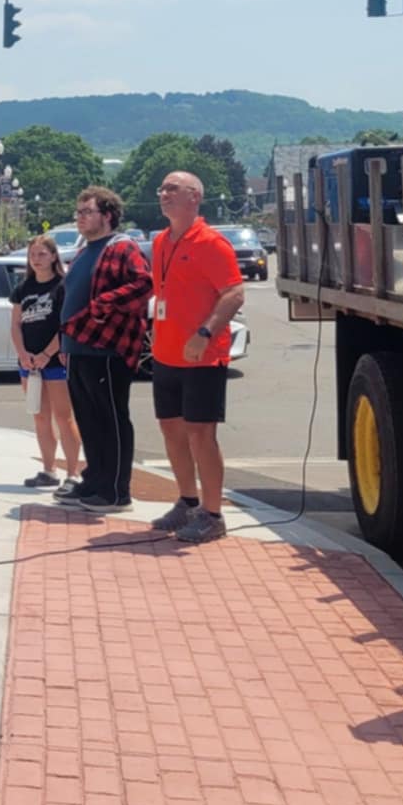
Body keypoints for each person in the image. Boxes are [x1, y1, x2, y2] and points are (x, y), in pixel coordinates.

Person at [147, 171, 246, 544]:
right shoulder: (160, 242)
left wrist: (205, 331)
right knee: (171, 430)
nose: (163, 193)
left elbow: (234, 293)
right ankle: (187, 502)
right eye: (163, 188)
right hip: (165, 354)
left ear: (195, 197)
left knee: (201, 435)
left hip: (203, 358)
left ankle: (212, 513)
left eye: (172, 188)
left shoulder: (210, 242)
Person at [59, 186, 152, 511]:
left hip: (108, 350)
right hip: (78, 348)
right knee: (88, 420)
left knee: (110, 419)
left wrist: (101, 306)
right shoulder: (85, 250)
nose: (80, 218)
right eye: (78, 213)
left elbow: (143, 285)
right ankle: (94, 482)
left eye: (87, 212)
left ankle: (116, 491)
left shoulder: (123, 247)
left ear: (107, 215)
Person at [10, 233, 82, 490]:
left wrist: (45, 354)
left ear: (54, 256)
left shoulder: (62, 287)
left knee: (64, 417)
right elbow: (16, 324)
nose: (37, 259)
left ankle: (73, 473)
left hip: (55, 361)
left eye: (42, 254)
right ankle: (48, 470)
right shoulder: (23, 288)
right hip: (29, 364)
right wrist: (23, 354)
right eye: (33, 255)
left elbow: (65, 326)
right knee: (40, 416)